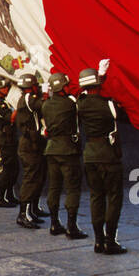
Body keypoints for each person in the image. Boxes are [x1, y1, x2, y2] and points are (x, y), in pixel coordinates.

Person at [78, 61, 127, 254]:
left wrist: (99, 77)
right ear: (98, 85)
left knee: (96, 197)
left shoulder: (80, 104)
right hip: (108, 155)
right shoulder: (109, 104)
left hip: (90, 154)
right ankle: (110, 240)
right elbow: (123, 116)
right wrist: (103, 77)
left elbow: (83, 95)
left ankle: (98, 241)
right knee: (114, 198)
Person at [41, 72, 87, 239]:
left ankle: (54, 223)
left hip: (51, 149)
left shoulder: (46, 105)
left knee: (54, 187)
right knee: (72, 189)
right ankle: (71, 226)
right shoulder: (70, 103)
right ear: (63, 87)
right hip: (68, 150)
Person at [14, 71, 48, 229]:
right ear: (31, 87)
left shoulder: (26, 98)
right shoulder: (29, 98)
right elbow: (43, 107)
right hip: (30, 145)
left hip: (34, 143)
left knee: (37, 177)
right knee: (31, 178)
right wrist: (47, 94)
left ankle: (32, 209)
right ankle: (23, 214)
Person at [0, 75, 19, 208]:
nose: (7, 89)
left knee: (14, 169)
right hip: (5, 139)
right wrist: (20, 106)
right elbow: (10, 118)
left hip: (11, 137)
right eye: (5, 87)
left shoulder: (4, 101)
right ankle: (0, 197)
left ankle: (10, 195)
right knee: (8, 169)